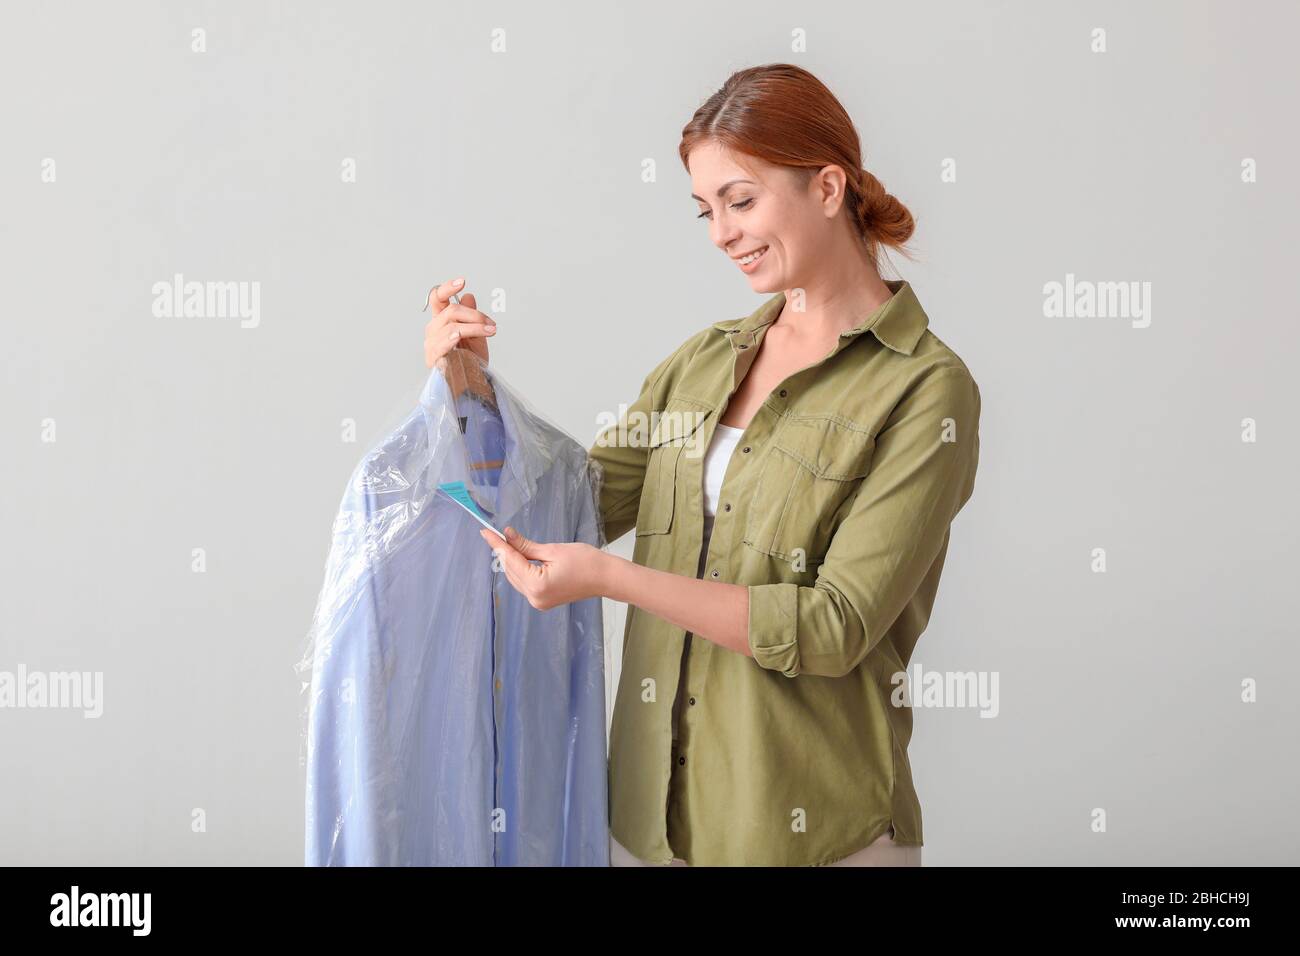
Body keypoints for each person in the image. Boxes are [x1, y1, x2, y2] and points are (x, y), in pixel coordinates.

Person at [421, 63, 980, 867]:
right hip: (647, 824)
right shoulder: (704, 363)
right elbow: (567, 506)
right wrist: (469, 389)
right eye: (706, 209)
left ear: (827, 187)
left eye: (740, 201)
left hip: (811, 832)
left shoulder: (926, 389)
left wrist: (613, 580)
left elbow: (834, 627)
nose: (720, 233)